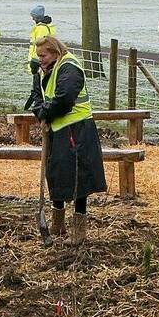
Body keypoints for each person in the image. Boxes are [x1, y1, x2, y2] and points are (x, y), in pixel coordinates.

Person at [30, 33, 107, 246]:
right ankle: (58, 224)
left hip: (77, 130)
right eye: (39, 55)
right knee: (55, 174)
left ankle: (79, 230)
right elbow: (37, 97)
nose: (40, 59)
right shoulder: (45, 71)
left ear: (55, 52)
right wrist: (41, 111)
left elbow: (64, 99)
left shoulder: (70, 68)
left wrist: (46, 113)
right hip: (57, 130)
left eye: (43, 55)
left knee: (77, 178)